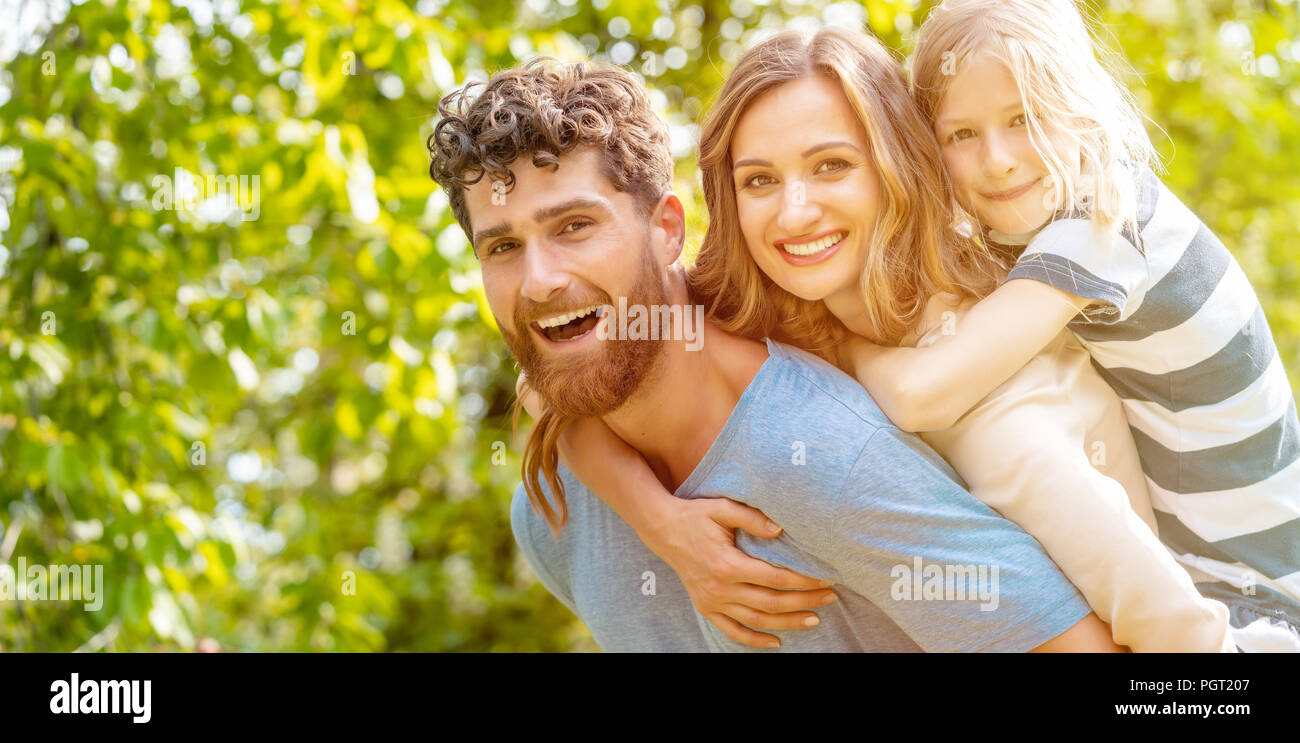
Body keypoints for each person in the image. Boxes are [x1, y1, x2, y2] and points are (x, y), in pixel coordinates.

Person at [523, 28, 1236, 651]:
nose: (795, 212)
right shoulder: (759, 308)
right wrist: (663, 524)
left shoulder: (1003, 418)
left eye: (831, 165)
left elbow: (1176, 630)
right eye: (760, 179)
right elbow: (552, 393)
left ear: (895, 165)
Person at [844, 0, 1300, 651]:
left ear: (1077, 109)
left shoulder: (1104, 223)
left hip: (1257, 618)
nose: (997, 159)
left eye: (1024, 119)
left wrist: (840, 341)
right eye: (961, 134)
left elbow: (926, 393)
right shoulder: (1055, 224)